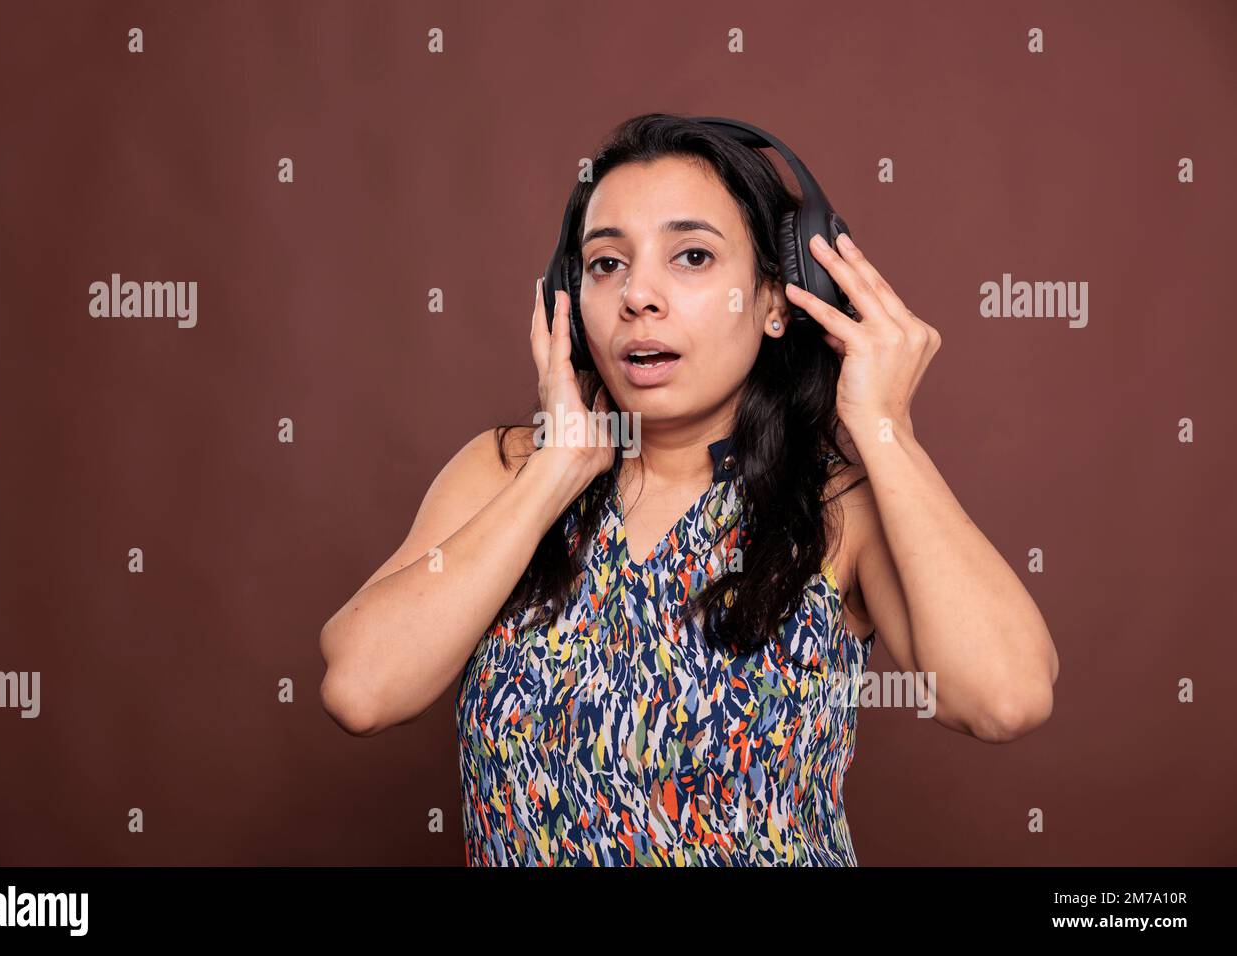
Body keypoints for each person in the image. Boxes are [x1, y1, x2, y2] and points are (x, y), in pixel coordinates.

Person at [318, 113, 1059, 866]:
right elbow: (362, 689)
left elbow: (1005, 698)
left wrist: (885, 427)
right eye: (606, 264)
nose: (639, 294)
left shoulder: (841, 511)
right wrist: (558, 471)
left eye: (692, 256)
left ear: (780, 299)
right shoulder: (503, 473)